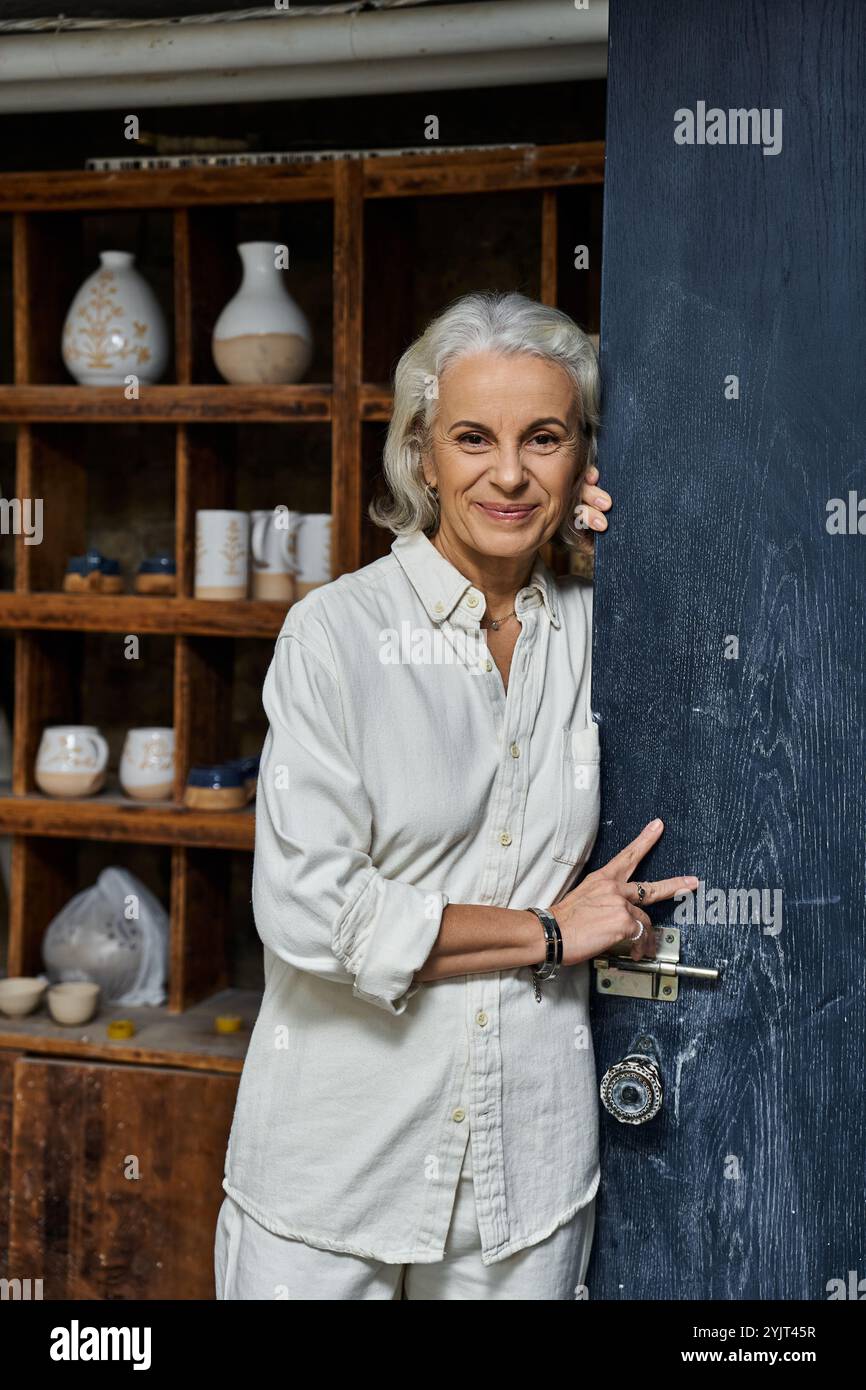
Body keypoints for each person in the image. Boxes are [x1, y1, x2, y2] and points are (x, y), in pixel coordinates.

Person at [214, 290, 699, 1300]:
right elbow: (311, 910)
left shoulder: (597, 628)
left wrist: (646, 535)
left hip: (523, 1180)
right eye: (472, 437)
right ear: (422, 455)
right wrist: (550, 933)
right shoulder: (334, 635)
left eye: (545, 438)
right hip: (333, 1174)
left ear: (582, 459)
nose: (510, 473)